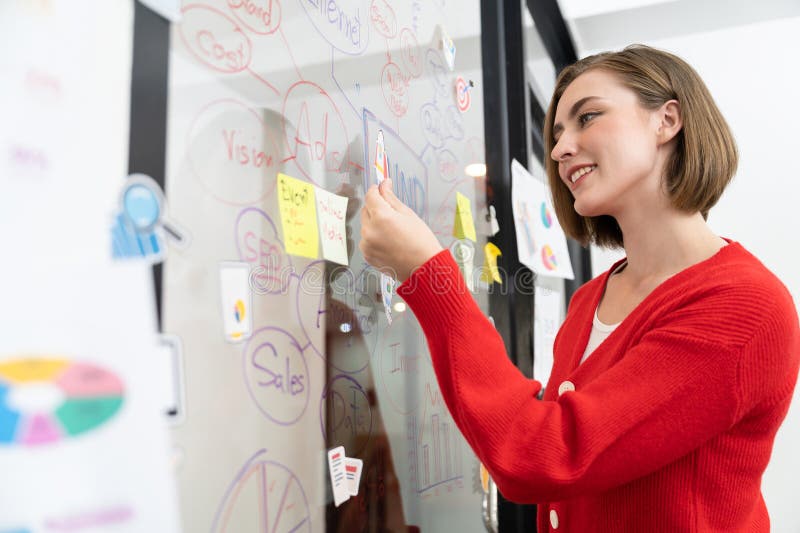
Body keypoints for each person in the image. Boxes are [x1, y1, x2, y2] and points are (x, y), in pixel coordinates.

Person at [359, 44, 800, 532]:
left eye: (587, 117)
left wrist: (429, 278)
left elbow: (545, 454)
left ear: (667, 120)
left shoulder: (743, 305)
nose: (560, 148)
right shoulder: (591, 298)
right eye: (557, 133)